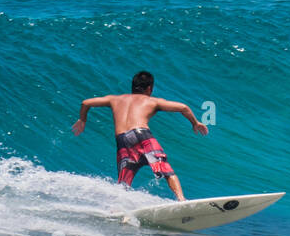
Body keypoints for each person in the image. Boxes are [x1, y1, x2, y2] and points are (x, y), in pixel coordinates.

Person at [72, 71, 207, 200]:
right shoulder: (152, 101)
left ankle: (118, 209)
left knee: (124, 180)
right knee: (164, 168)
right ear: (149, 88)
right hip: (141, 135)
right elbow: (183, 107)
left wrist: (82, 120)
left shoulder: (114, 99)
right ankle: (181, 199)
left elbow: (86, 103)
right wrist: (195, 123)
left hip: (122, 140)